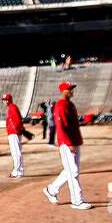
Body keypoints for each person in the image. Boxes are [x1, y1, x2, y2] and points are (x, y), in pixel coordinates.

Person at [43, 81, 90, 210]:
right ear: (63, 91)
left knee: (70, 171)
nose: (71, 91)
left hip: (74, 142)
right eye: (69, 89)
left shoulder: (71, 105)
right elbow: (61, 127)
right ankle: (77, 201)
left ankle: (51, 190)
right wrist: (69, 143)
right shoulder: (61, 105)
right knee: (73, 171)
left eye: (72, 88)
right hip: (67, 144)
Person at [2, 93, 25, 178]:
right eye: (4, 100)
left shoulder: (12, 107)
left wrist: (16, 129)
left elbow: (18, 120)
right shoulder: (12, 107)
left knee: (16, 152)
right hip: (14, 132)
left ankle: (16, 171)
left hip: (14, 132)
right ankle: (20, 170)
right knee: (17, 152)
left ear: (9, 100)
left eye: (5, 99)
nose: (4, 101)